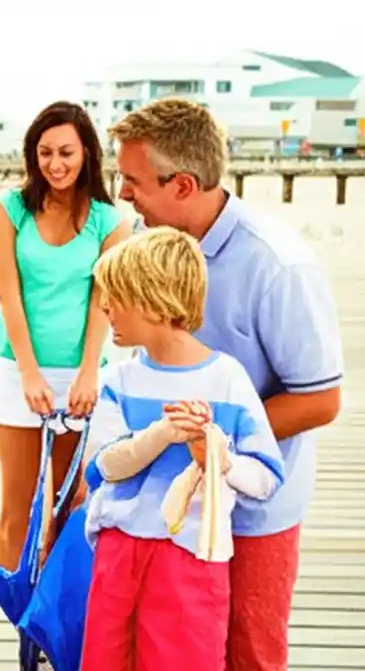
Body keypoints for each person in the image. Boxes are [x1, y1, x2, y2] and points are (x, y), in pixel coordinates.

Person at [109, 98, 344, 670]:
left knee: (249, 655)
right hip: (159, 511)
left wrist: (216, 443)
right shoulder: (146, 243)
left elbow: (321, 398)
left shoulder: (277, 266)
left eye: (132, 180)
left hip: (254, 512)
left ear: (183, 185)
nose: (122, 195)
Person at [79, 227, 285, 670]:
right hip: (119, 549)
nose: (105, 306)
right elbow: (103, 467)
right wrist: (163, 433)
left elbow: (267, 477)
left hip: (192, 554)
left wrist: (218, 457)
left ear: (153, 302)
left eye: (116, 295)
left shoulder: (227, 380)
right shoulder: (120, 380)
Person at [0, 101, 132, 569]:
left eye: (66, 152)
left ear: (87, 152)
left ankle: (55, 623)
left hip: (80, 374)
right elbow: (9, 296)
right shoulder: (8, 210)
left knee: (70, 507)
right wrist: (29, 374)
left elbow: (101, 303)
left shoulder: (111, 222)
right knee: (20, 507)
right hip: (17, 370)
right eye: (45, 152)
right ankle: (17, 622)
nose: (55, 164)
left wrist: (89, 371)